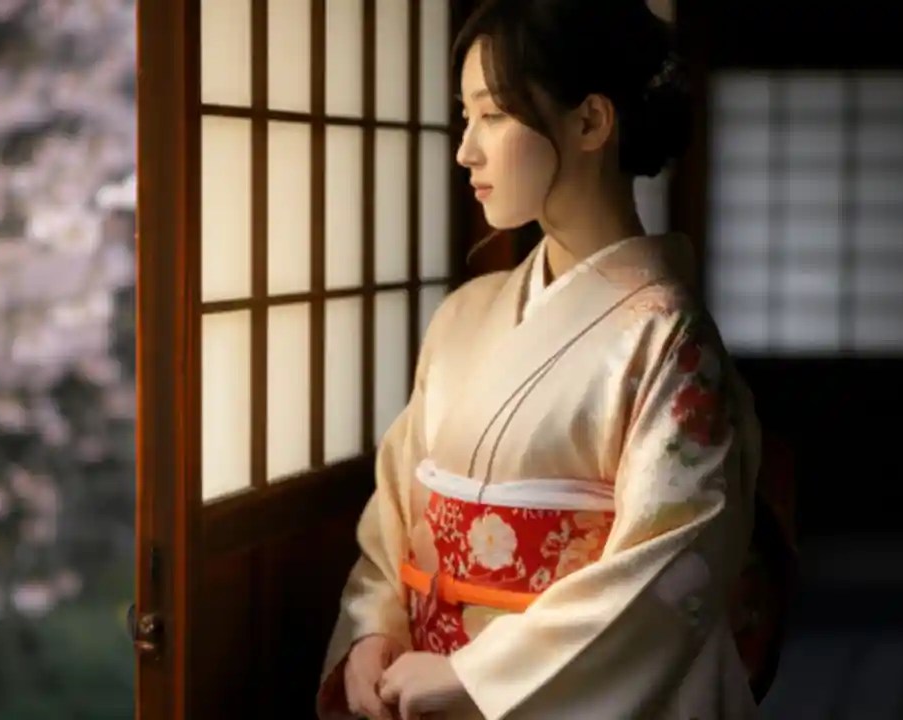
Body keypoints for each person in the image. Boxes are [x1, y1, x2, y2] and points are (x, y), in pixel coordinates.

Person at [317, 1, 794, 718]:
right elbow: (394, 518)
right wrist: (370, 632)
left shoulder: (667, 338)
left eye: (493, 115)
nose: (465, 149)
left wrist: (475, 675)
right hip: (419, 687)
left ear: (591, 123)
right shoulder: (464, 316)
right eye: (464, 115)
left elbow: (669, 572)